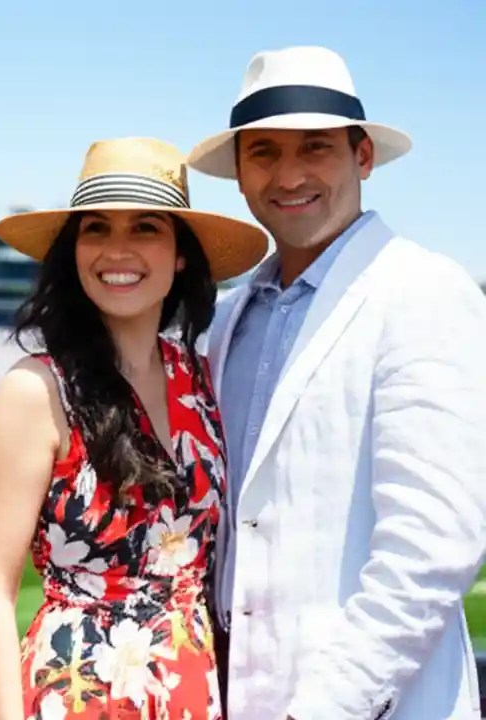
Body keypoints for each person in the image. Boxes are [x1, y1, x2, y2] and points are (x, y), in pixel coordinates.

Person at [188, 45, 486, 719]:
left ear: (363, 157)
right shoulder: (226, 319)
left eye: (314, 147)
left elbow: (433, 545)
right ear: (238, 173)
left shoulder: (423, 292)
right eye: (263, 151)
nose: (288, 174)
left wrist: (324, 708)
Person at [0, 136, 268, 719]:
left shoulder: (202, 378)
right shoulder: (36, 391)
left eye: (146, 227)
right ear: (72, 252)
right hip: (78, 694)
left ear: (181, 253)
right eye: (96, 228)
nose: (116, 250)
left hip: (193, 691)